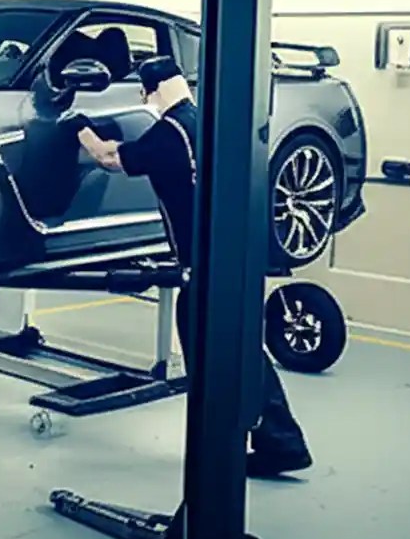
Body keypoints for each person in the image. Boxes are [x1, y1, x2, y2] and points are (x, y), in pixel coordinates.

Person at [65, 55, 312, 478]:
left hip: (204, 270)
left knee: (211, 359)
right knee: (242, 353)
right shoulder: (204, 123)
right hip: (233, 261)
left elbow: (108, 158)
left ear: (150, 92)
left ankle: (235, 450)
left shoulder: (168, 133)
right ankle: (278, 440)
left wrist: (75, 124)